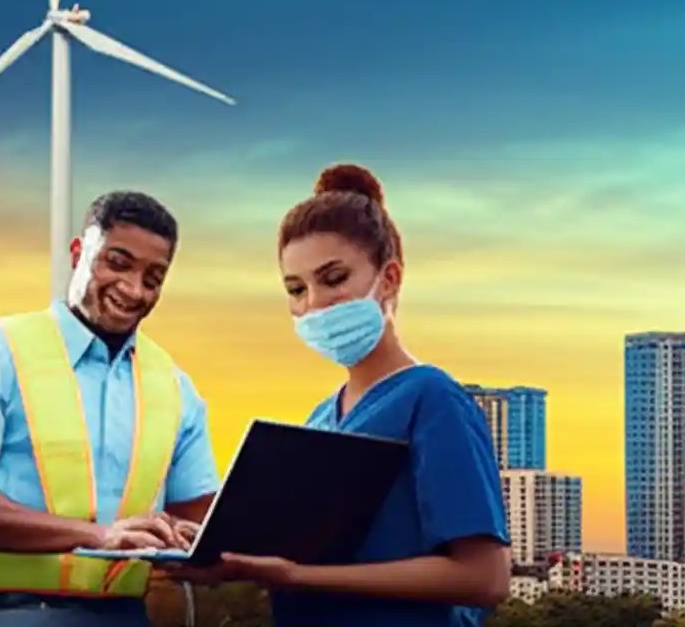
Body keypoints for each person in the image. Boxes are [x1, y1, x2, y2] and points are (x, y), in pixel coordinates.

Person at [174, 163, 513, 626]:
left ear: (389, 279)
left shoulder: (432, 399)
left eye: (333, 279)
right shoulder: (319, 420)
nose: (313, 304)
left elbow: (485, 577)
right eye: (296, 289)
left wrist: (299, 576)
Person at [0, 190, 221, 627]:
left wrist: (204, 545)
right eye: (116, 263)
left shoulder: (177, 389)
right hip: (8, 615)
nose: (133, 289)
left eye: (153, 277)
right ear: (78, 253)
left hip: (127, 616)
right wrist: (99, 536)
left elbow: (198, 518)